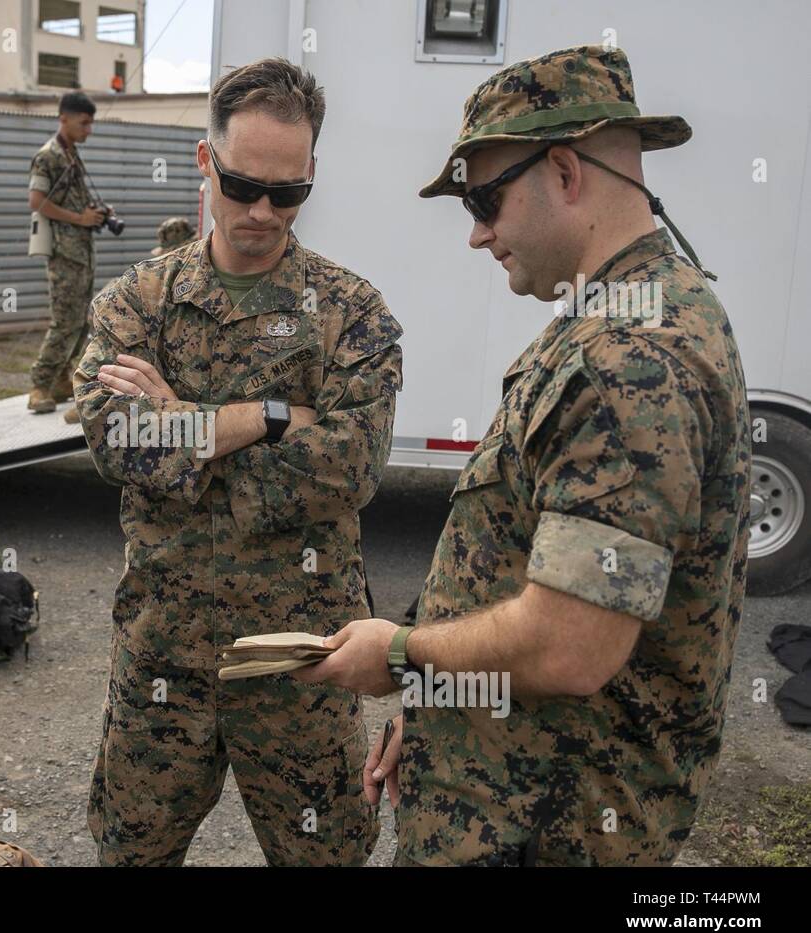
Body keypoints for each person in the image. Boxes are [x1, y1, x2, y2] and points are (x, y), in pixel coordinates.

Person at [297, 45, 750, 866]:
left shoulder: (626, 359)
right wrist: (441, 697)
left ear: (567, 171)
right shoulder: (628, 310)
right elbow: (521, 570)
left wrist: (399, 658)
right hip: (513, 789)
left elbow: (569, 646)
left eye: (485, 199)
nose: (476, 233)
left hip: (542, 824)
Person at [74, 57, 403, 866]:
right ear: (204, 161)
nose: (261, 211)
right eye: (242, 184)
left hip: (303, 661)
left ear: (312, 175)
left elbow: (354, 465)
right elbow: (116, 440)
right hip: (164, 655)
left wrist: (194, 426)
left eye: (287, 193)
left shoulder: (351, 312)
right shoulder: (136, 304)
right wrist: (273, 417)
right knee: (132, 853)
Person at [28, 91, 107, 424]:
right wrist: (79, 219)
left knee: (79, 321)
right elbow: (36, 201)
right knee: (64, 321)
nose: (89, 130)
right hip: (64, 253)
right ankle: (40, 385)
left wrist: (95, 213)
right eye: (84, 122)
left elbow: (75, 200)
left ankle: (62, 378)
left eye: (91, 123)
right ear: (64, 118)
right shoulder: (48, 156)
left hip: (81, 252)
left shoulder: (72, 154)